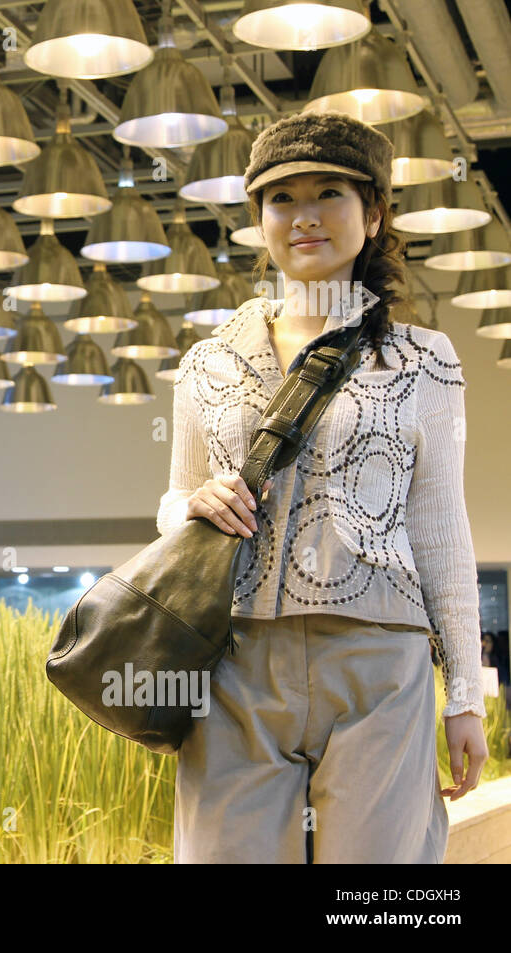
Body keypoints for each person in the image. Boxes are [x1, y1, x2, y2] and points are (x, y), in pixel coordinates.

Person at [158, 111, 488, 863]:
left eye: (329, 193)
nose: (304, 215)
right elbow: (172, 504)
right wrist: (193, 503)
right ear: (259, 220)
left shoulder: (422, 361)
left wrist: (464, 694)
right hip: (234, 660)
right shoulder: (208, 363)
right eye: (281, 199)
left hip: (378, 664)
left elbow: (441, 532)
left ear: (372, 214)